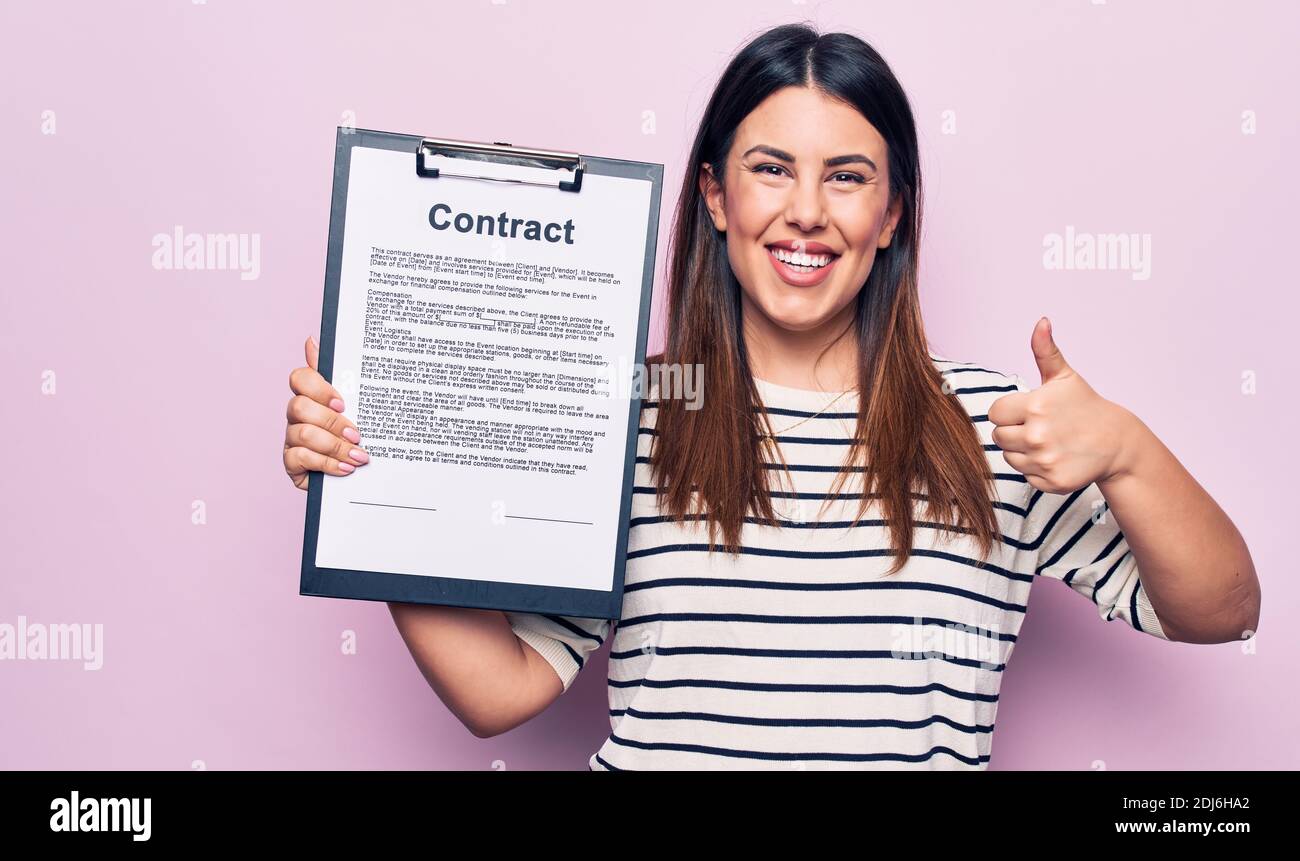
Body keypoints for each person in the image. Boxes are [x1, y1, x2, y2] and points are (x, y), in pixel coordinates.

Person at [282, 24, 1259, 770]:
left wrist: (1127, 448)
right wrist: (374, 490)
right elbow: (499, 690)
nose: (804, 210)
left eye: (846, 177)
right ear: (715, 198)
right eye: (770, 170)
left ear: (891, 215)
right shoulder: (623, 417)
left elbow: (1223, 611)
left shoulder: (1005, 428)